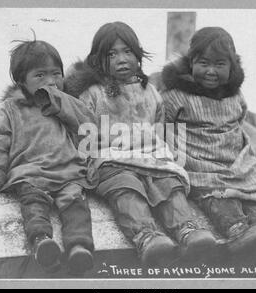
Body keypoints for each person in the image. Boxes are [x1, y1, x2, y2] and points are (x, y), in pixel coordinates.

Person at [64, 21, 217, 266]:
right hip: (111, 161)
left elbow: (159, 127)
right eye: (111, 54)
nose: (121, 59)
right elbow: (83, 136)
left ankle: (187, 230)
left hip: (151, 156)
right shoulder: (92, 93)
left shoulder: (150, 91)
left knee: (169, 185)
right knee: (127, 188)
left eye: (127, 52)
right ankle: (146, 236)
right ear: (98, 60)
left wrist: (167, 156)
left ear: (138, 54)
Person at [160, 27, 256, 257]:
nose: (210, 71)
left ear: (232, 66)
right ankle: (238, 232)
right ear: (191, 63)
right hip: (201, 163)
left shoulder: (235, 96)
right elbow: (163, 127)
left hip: (237, 163)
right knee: (219, 197)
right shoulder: (175, 96)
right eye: (203, 63)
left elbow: (239, 122)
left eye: (219, 65)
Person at [0, 39, 98, 274]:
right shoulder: (10, 109)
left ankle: (79, 247)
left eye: (56, 74)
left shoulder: (67, 103)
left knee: (76, 205)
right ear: (22, 81)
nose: (50, 81)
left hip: (68, 172)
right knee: (33, 205)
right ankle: (42, 242)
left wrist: (62, 103)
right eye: (40, 75)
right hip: (30, 173)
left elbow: (89, 126)